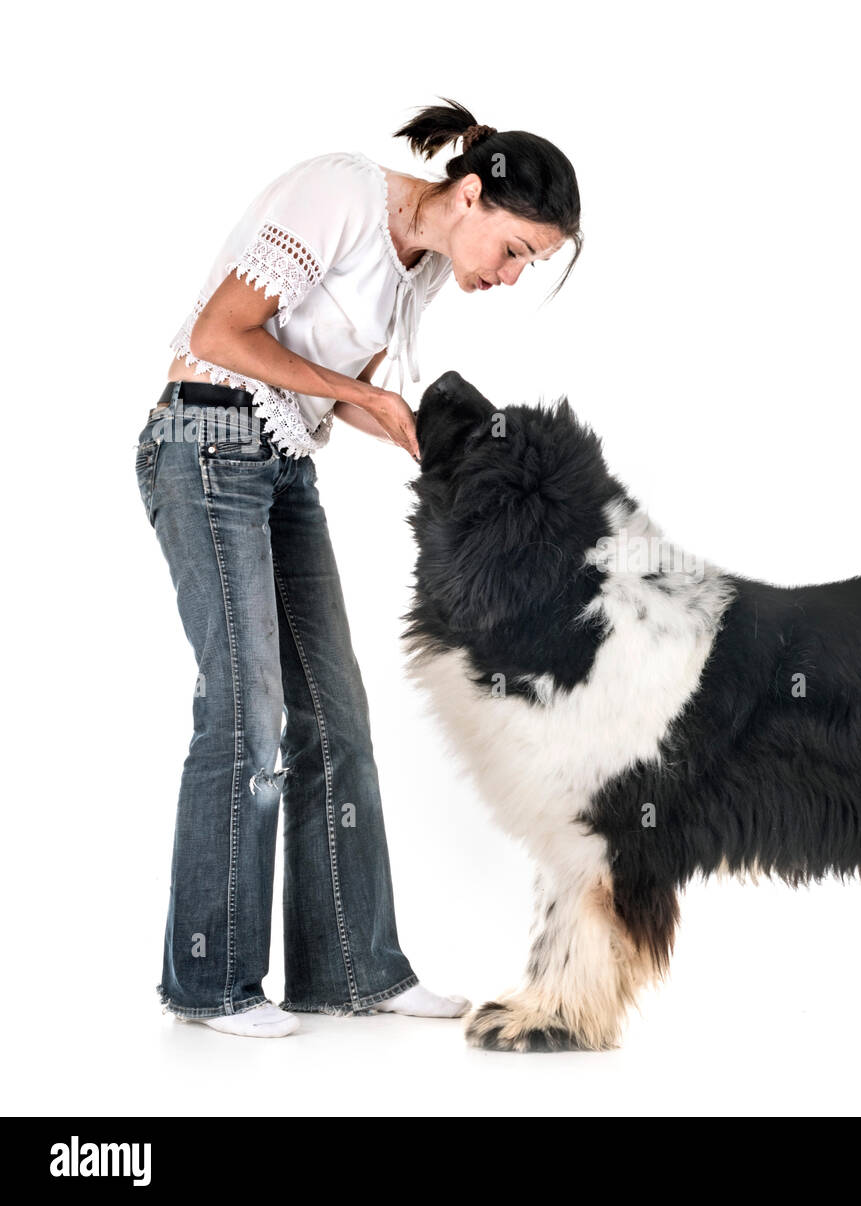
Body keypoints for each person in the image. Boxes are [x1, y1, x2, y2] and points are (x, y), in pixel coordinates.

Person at [132, 99, 582, 1037]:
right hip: (204, 439)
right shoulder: (339, 192)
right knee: (245, 716)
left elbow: (349, 403)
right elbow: (221, 336)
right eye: (514, 251)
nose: (506, 276)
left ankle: (352, 968)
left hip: (282, 461)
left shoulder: (420, 276)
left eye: (528, 266)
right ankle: (211, 983)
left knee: (336, 717)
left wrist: (468, 469)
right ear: (470, 195)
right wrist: (366, 393)